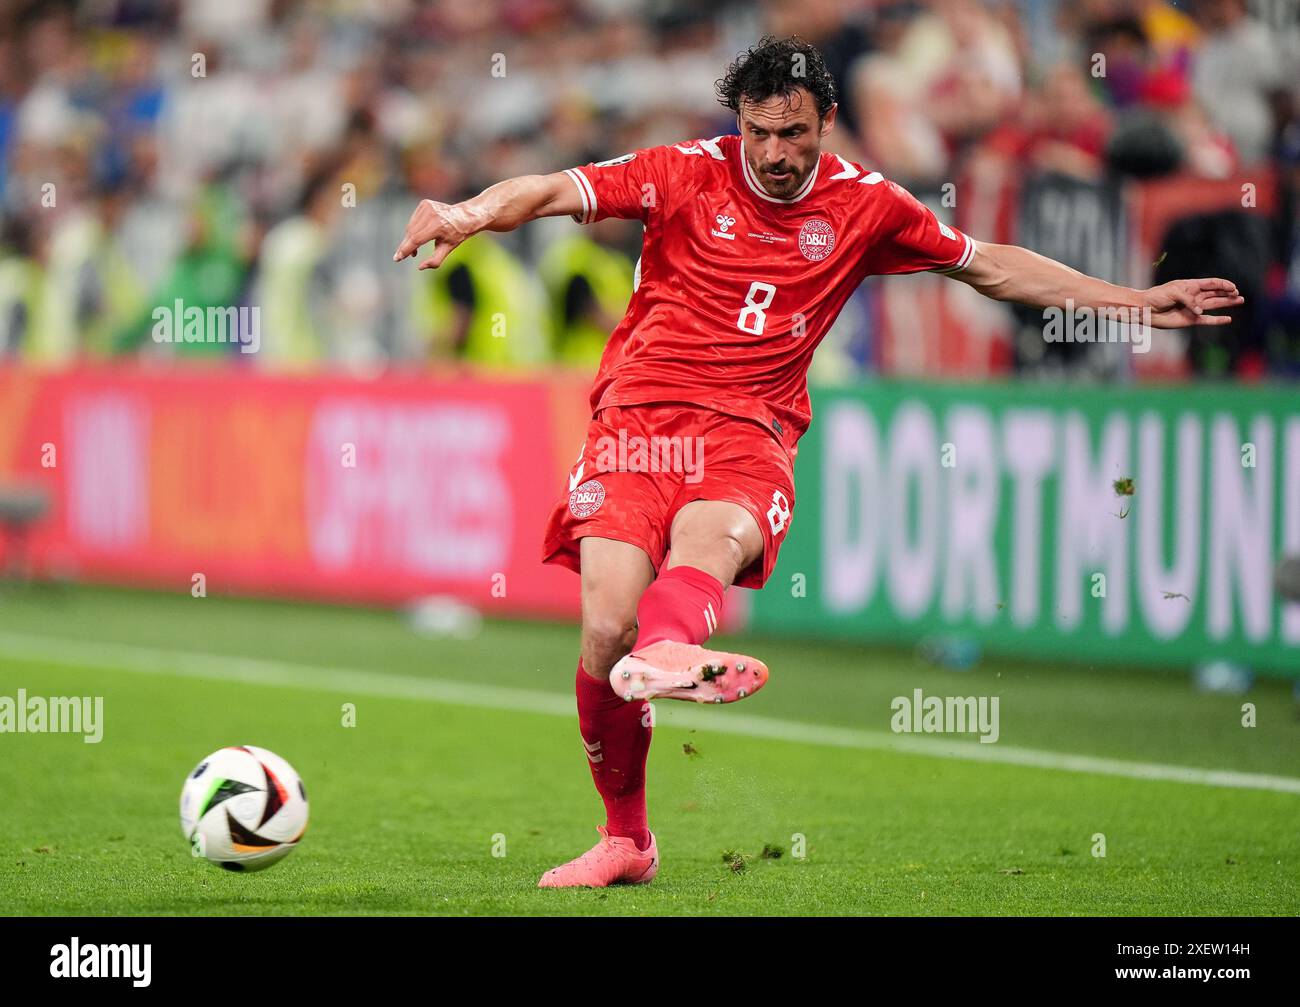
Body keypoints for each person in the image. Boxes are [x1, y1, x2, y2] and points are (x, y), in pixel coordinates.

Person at [393, 36, 1242, 889]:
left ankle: (669, 649)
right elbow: (548, 190)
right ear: (738, 123)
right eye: (759, 132)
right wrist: (466, 212)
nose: (775, 152)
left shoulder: (867, 204)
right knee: (605, 630)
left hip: (749, 431)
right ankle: (628, 836)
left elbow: (990, 267)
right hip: (636, 423)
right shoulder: (681, 169)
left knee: (711, 541)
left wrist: (1132, 301)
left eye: (794, 133)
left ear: (826, 122)